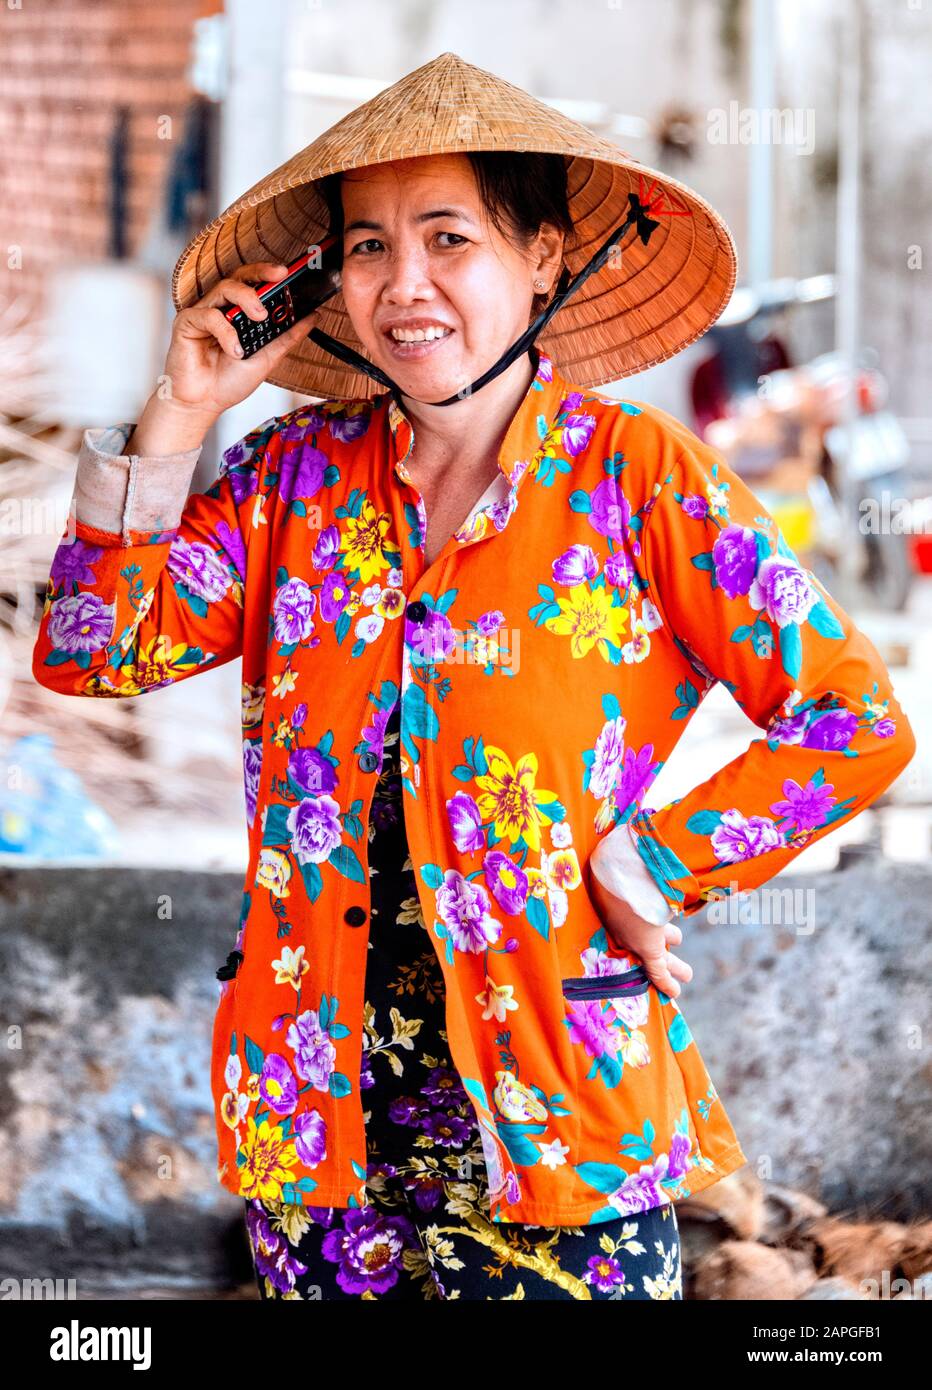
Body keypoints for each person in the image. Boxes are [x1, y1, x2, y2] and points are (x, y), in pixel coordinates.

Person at [32, 53, 916, 1301]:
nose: (404, 286)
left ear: (544, 257)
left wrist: (653, 861)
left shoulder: (632, 475)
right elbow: (90, 646)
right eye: (367, 247)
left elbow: (854, 721)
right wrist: (179, 414)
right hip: (321, 1120)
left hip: (560, 1111)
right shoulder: (291, 477)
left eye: (449, 238)